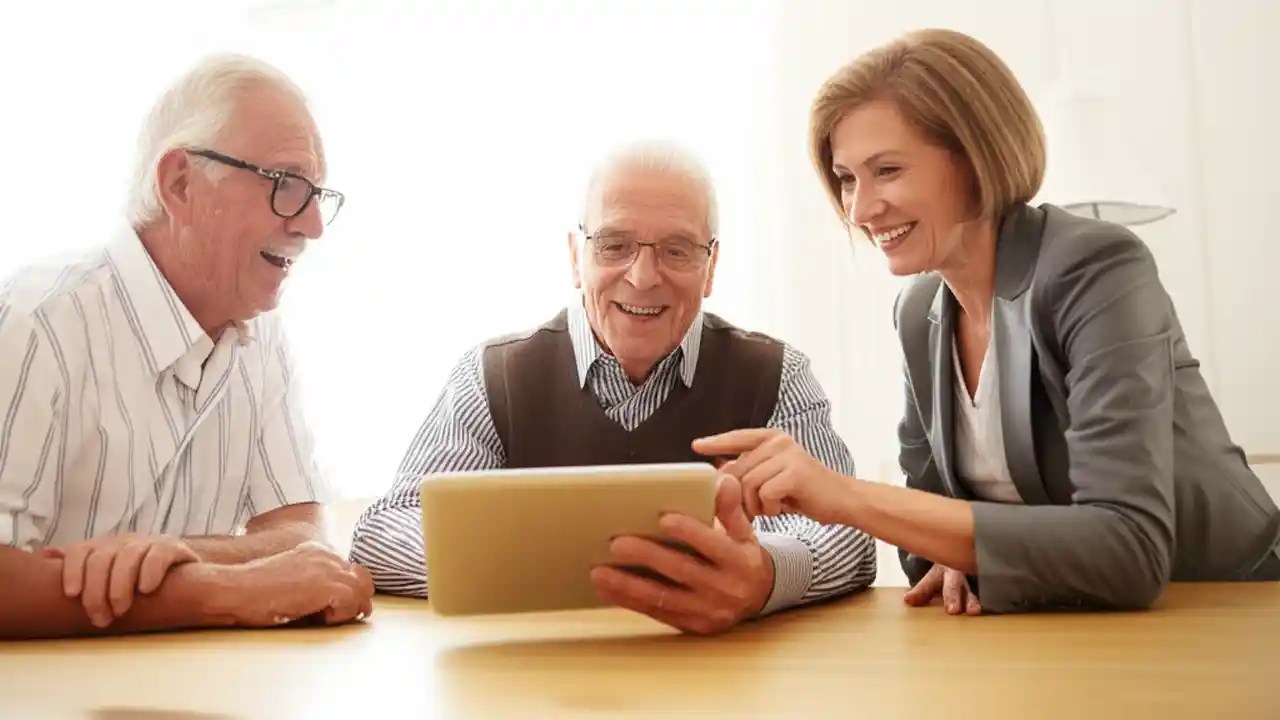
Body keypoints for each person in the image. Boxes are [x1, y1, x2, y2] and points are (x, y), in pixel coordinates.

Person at [694, 28, 1280, 615]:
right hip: (1072, 629)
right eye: (847, 178)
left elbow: (1128, 548)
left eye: (888, 170)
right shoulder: (920, 311)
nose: (860, 209)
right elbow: (926, 557)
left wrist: (841, 496)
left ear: (976, 157)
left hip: (1227, 609)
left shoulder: (1096, 268)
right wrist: (970, 550)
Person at [350, 141, 877, 634]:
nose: (643, 276)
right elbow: (382, 533)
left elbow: (850, 535)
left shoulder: (777, 375)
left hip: (721, 673)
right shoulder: (492, 377)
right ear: (575, 256)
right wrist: (548, 561)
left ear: (711, 266)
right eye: (615, 245)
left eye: (677, 250)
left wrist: (765, 574)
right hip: (537, 677)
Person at [0, 54, 374, 639]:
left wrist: (166, 554)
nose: (311, 226)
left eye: (316, 194)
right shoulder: (37, 322)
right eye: (286, 185)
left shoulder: (260, 335)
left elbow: (301, 536)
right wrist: (220, 590)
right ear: (180, 184)